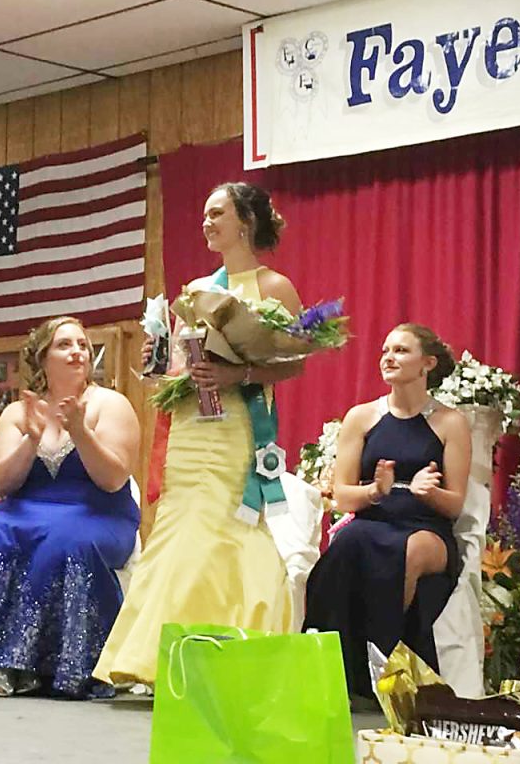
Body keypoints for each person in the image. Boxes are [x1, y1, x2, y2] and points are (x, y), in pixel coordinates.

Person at [93, 182, 304, 687]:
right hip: (191, 425)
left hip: (236, 425)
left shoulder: (275, 287)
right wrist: (161, 366)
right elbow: (181, 364)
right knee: (177, 530)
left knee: (224, 526)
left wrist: (240, 376)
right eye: (204, 215)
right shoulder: (194, 290)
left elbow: (293, 364)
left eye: (217, 213)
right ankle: (150, 660)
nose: (207, 223)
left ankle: (225, 652)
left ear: (245, 222)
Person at [0, 316, 140, 698]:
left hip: (96, 512)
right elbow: (2, 483)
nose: (77, 352)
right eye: (64, 345)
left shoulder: (110, 405)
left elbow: (114, 479)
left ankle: (40, 664)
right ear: (42, 358)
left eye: (82, 344)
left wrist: (81, 433)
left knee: (63, 542)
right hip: (26, 508)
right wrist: (30, 441)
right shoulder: (18, 413)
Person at [303, 324, 471, 704]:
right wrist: (376, 491)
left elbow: (456, 503)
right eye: (385, 350)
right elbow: (344, 497)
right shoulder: (360, 417)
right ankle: (330, 670)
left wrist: (427, 494)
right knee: (346, 546)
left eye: (401, 351)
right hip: (373, 520)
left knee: (405, 553)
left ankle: (386, 666)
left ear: (427, 363)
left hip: (427, 527)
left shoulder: (450, 422)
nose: (389, 358)